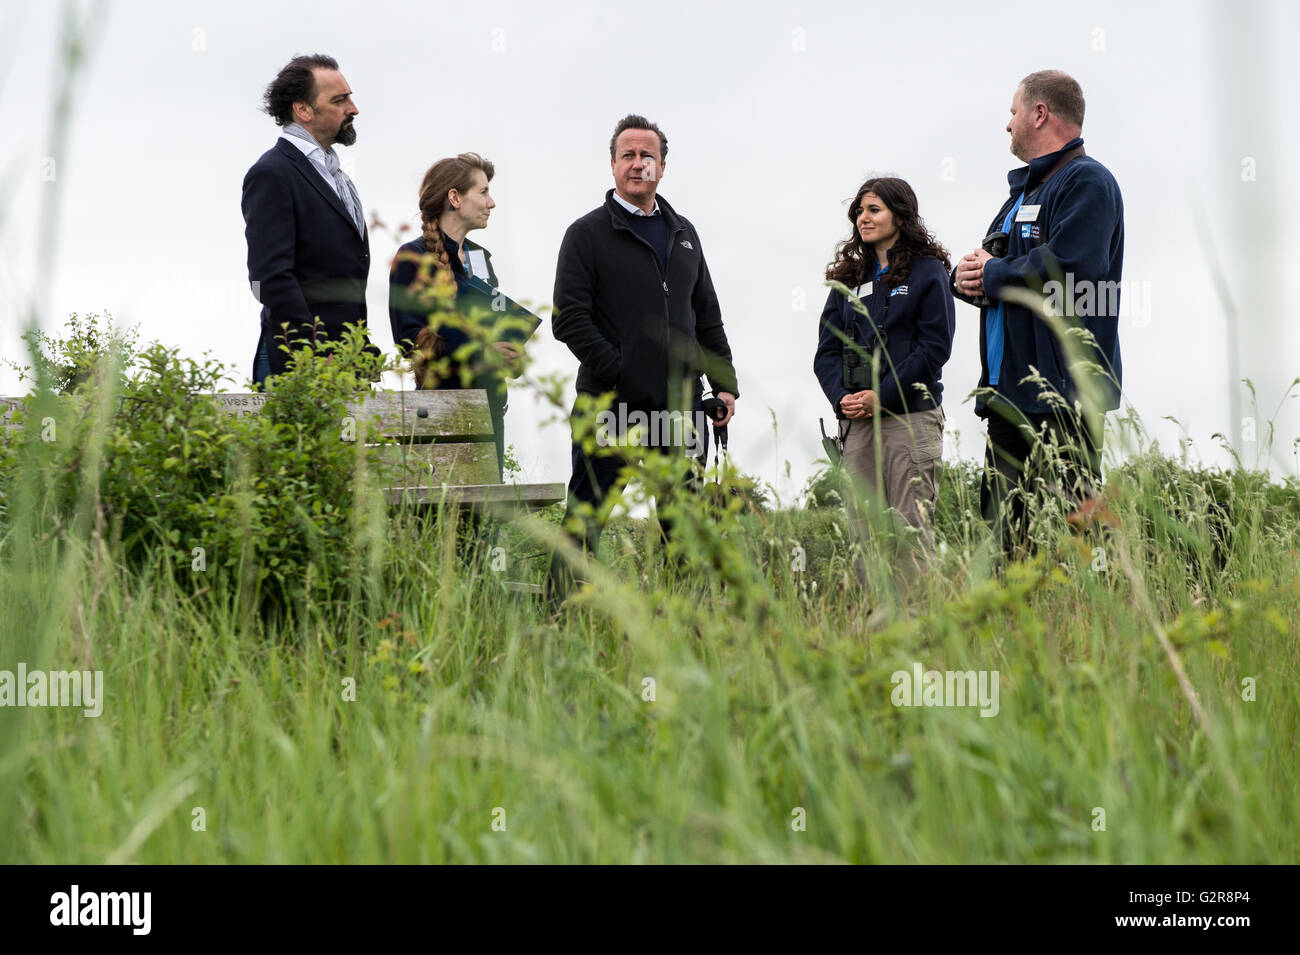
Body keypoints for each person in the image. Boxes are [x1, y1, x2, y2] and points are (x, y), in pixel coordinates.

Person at [546, 113, 740, 601]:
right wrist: (621, 373)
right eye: (628, 155)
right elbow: (569, 319)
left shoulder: (685, 234)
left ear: (663, 165)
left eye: (647, 155)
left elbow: (707, 313)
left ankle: (684, 627)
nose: (638, 164)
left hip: (680, 406)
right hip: (610, 406)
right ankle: (556, 621)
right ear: (612, 165)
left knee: (684, 525)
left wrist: (724, 382)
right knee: (586, 517)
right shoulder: (585, 234)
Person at [952, 70, 1124, 557]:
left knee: (1082, 538)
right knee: (1002, 543)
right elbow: (996, 265)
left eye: (1012, 112)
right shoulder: (1021, 196)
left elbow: (1071, 268)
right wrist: (965, 278)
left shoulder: (1087, 181)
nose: (1007, 125)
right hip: (1009, 395)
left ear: (1039, 113)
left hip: (1063, 394)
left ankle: (1104, 623)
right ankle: (1009, 630)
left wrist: (993, 275)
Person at [814, 177, 955, 595]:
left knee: (910, 530)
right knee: (865, 533)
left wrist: (883, 395)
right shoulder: (847, 279)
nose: (863, 218)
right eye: (859, 211)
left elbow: (934, 348)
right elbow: (824, 353)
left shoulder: (930, 272)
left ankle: (916, 635)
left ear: (900, 213)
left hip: (909, 418)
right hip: (857, 424)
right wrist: (843, 398)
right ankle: (873, 632)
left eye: (874, 209)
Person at [243, 54, 377, 385]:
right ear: (303, 110)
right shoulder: (272, 174)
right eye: (340, 99)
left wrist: (359, 349)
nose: (353, 108)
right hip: (298, 368)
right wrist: (312, 351)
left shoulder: (340, 178)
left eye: (350, 96)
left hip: (343, 365)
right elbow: (268, 278)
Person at [388, 152, 518, 478]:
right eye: (484, 192)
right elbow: (409, 340)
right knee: (441, 522)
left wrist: (509, 353)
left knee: (488, 523)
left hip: (489, 410)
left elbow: (497, 328)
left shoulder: (481, 259)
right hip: (440, 410)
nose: (492, 203)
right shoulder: (412, 257)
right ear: (455, 198)